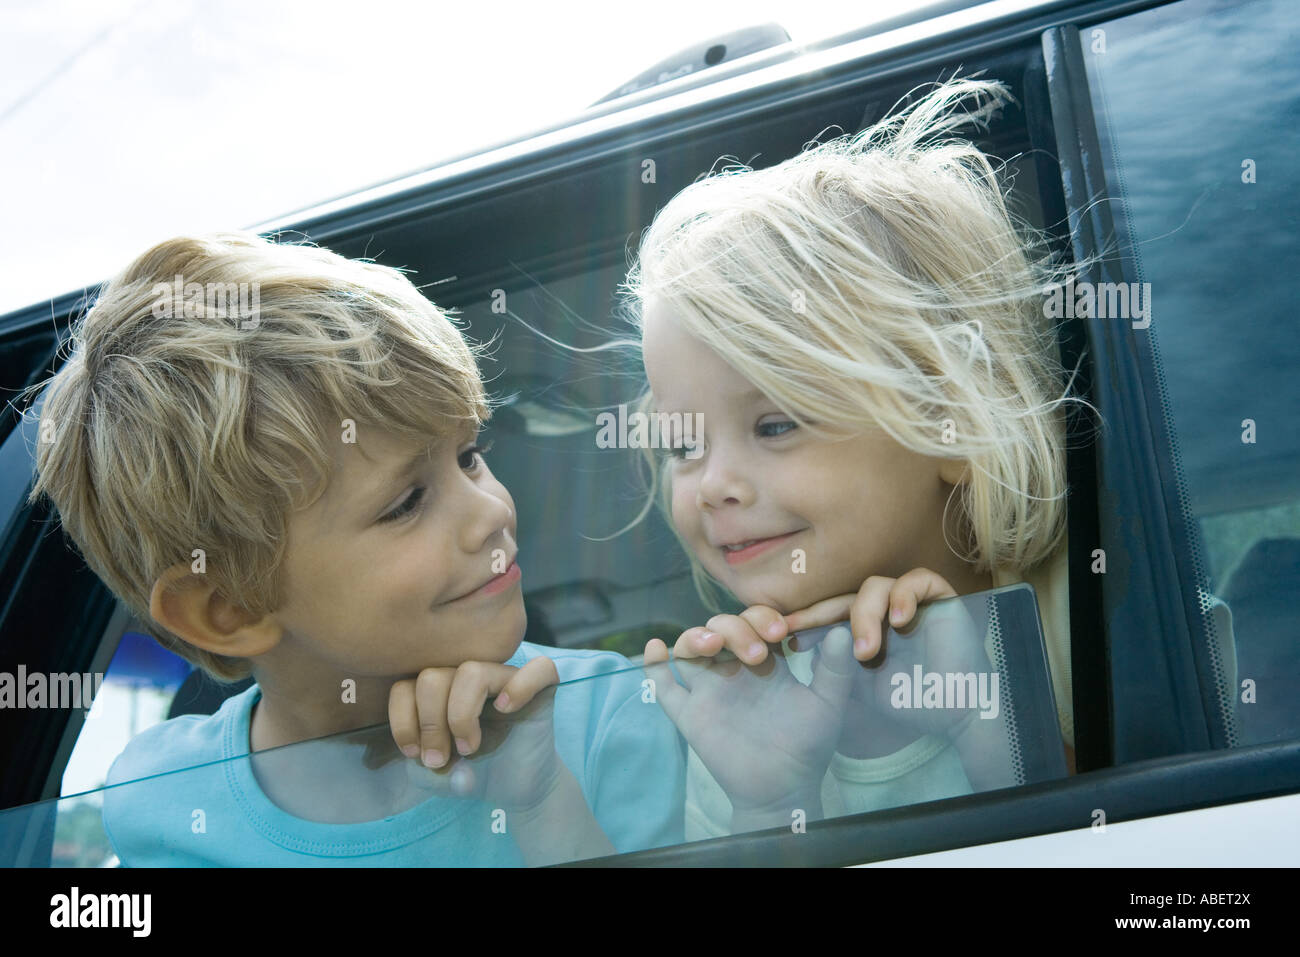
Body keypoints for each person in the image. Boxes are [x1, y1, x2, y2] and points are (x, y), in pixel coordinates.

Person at [24, 232, 684, 865]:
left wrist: (545, 809)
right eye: (405, 503)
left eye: (470, 455)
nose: (492, 511)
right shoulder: (159, 798)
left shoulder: (606, 716)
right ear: (227, 608)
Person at [624, 76, 1087, 838]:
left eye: (774, 425)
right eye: (681, 444)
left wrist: (990, 726)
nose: (713, 486)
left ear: (950, 420)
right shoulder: (739, 703)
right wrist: (769, 806)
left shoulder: (1092, 613)